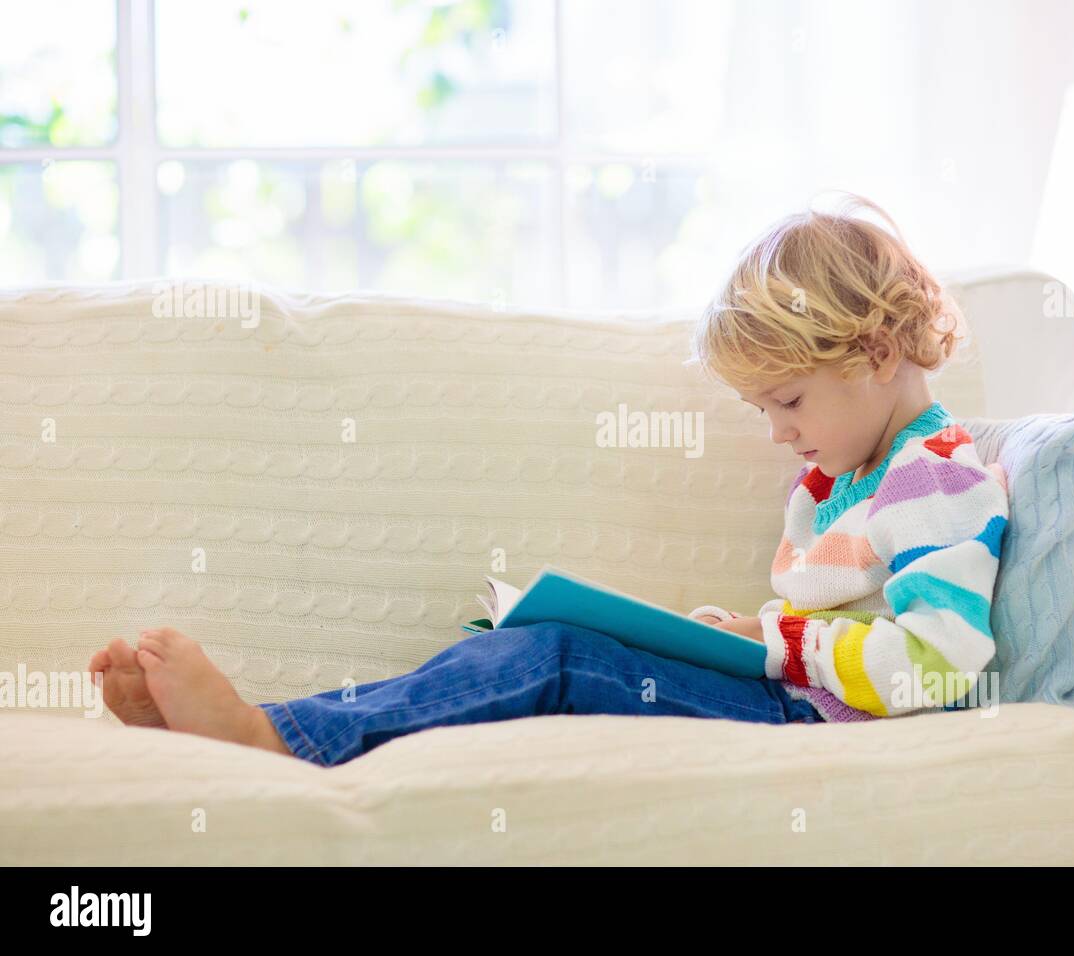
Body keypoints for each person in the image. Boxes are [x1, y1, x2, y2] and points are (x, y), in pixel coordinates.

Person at [88, 191, 1008, 766]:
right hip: (784, 692)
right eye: (763, 409)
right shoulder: (852, 474)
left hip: (812, 726)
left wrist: (778, 649)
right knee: (550, 631)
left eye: (790, 402)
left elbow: (937, 664)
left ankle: (268, 735)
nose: (776, 433)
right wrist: (744, 633)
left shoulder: (933, 480)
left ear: (879, 351)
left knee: (558, 656)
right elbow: (843, 624)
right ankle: (273, 723)